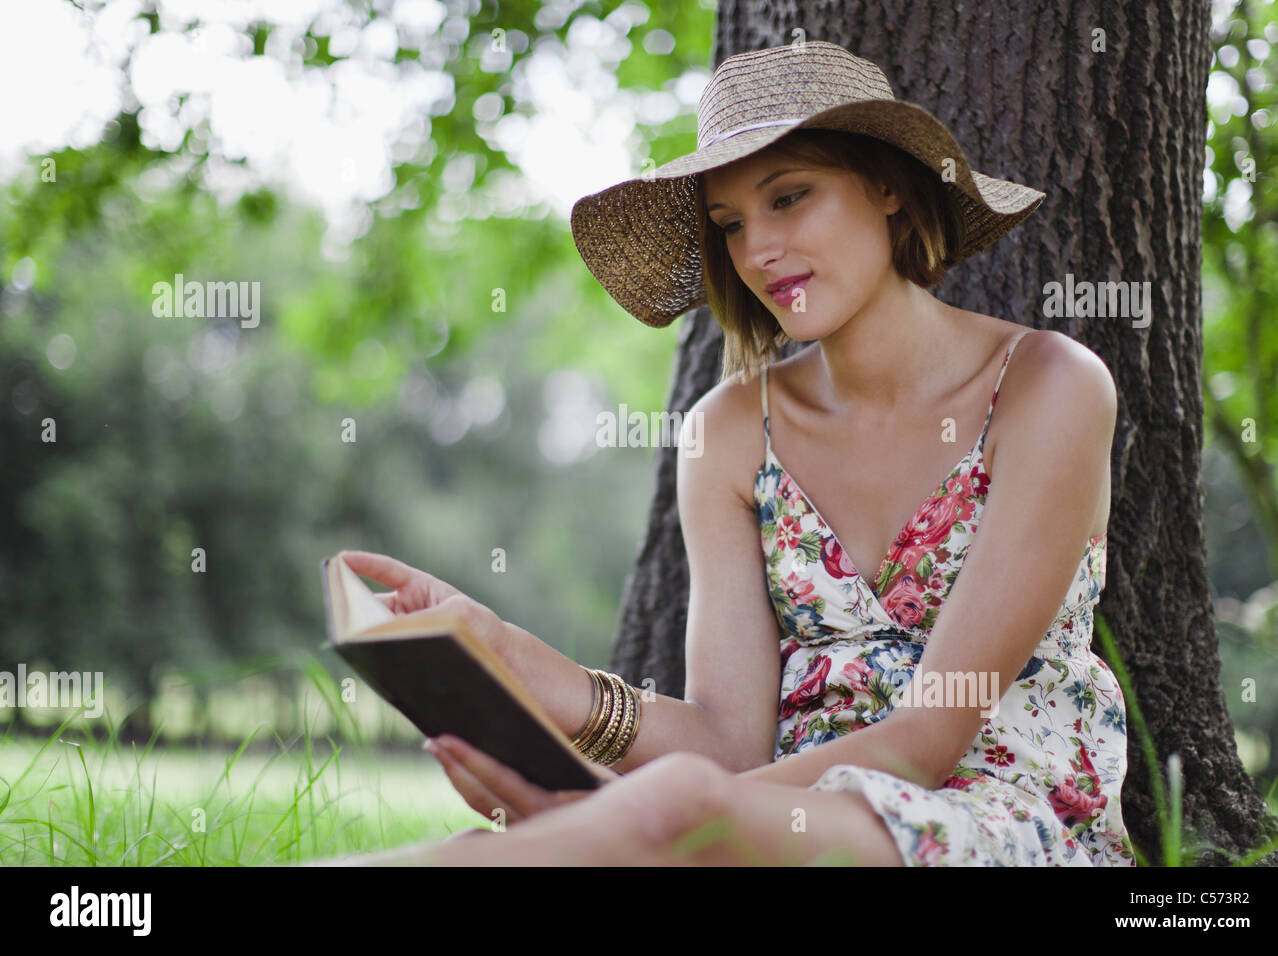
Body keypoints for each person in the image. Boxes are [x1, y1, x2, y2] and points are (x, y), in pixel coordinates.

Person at [326, 40, 1135, 866]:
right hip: (776, 823)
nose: (758, 252)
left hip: (1000, 823)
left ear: (889, 185)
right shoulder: (729, 430)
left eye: (790, 198)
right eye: (733, 224)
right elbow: (729, 743)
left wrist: (642, 811)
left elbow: (927, 737)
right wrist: (508, 655)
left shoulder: (1049, 387)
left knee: (643, 830)